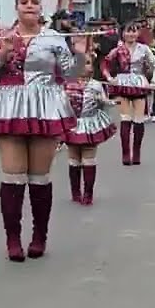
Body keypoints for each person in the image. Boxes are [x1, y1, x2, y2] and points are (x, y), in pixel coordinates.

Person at [0, 0, 87, 261]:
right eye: (23, 2)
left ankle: (40, 236)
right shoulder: (2, 34)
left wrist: (81, 54)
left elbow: (71, 73)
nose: (29, 6)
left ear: (41, 8)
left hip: (45, 106)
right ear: (16, 7)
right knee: (13, 175)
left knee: (39, 177)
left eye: (34, 2)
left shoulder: (54, 38)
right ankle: (12, 239)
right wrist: (3, 51)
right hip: (9, 106)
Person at [100, 20, 155, 166]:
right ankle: (126, 153)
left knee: (139, 119)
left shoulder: (144, 49)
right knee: (125, 118)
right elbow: (104, 64)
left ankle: (136, 152)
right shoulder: (118, 50)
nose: (131, 34)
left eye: (134, 31)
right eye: (128, 31)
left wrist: (153, 82)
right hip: (122, 83)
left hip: (139, 83)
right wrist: (110, 78)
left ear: (138, 33)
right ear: (123, 33)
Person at [64, 52, 115, 205]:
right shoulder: (67, 84)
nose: (87, 66)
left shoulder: (96, 85)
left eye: (89, 63)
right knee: (73, 159)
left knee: (88, 158)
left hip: (90, 124)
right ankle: (75, 192)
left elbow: (104, 102)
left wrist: (104, 101)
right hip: (72, 125)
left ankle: (88, 193)